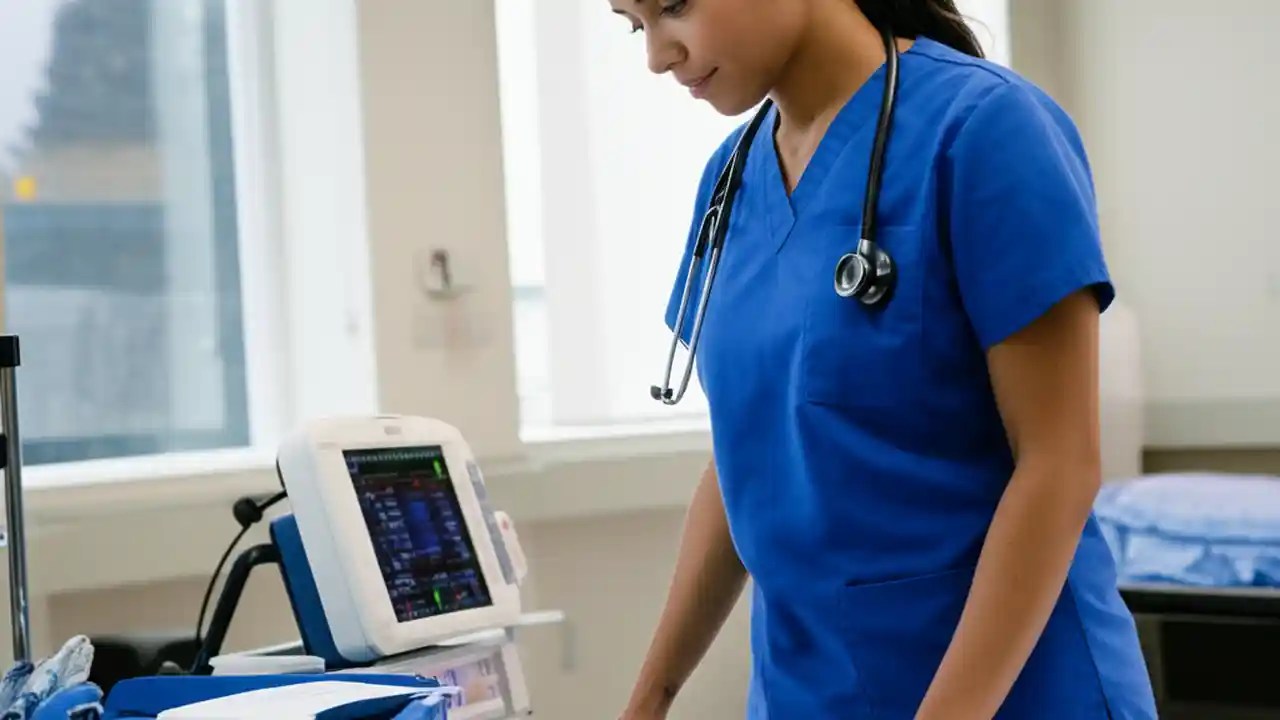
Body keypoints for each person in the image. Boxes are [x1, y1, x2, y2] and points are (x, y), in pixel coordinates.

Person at [609, 1, 1159, 718]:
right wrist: (651, 697)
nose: (657, 54)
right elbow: (745, 454)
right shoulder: (730, 179)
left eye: (675, 5)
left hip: (1021, 694)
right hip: (807, 694)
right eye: (633, 23)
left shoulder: (988, 127)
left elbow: (1059, 464)